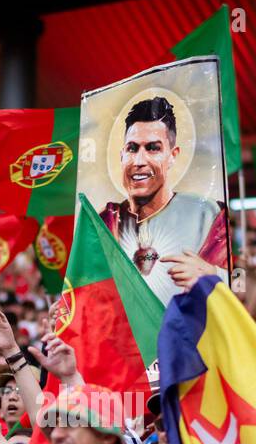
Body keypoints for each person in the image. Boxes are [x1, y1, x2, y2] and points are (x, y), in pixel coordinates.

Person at [98, 96, 229, 303]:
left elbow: (242, 283)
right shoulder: (104, 223)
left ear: (173, 155)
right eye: (132, 148)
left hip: (188, 333)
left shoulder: (210, 213)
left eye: (153, 148)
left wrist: (215, 274)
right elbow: (87, 291)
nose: (139, 160)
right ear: (122, 155)